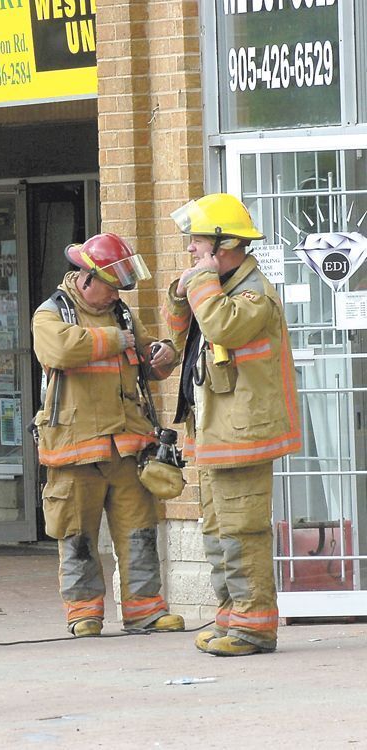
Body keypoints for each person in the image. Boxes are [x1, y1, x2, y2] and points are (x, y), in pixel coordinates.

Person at [164, 193, 301, 657]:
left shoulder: (252, 295)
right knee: (218, 530)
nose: (189, 251)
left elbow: (222, 327)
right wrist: (181, 292)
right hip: (216, 433)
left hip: (244, 434)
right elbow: (182, 332)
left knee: (243, 531)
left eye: (197, 244)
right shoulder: (216, 288)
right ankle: (231, 618)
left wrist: (200, 280)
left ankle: (254, 629)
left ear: (224, 246)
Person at [31, 232, 185, 637]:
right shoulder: (51, 314)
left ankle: (145, 610)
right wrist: (119, 340)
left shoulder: (121, 315)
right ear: (85, 278)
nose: (117, 296)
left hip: (128, 448)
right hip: (74, 451)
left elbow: (146, 358)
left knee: (139, 531)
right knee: (76, 535)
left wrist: (163, 354)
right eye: (111, 287)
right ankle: (84, 613)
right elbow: (61, 350)